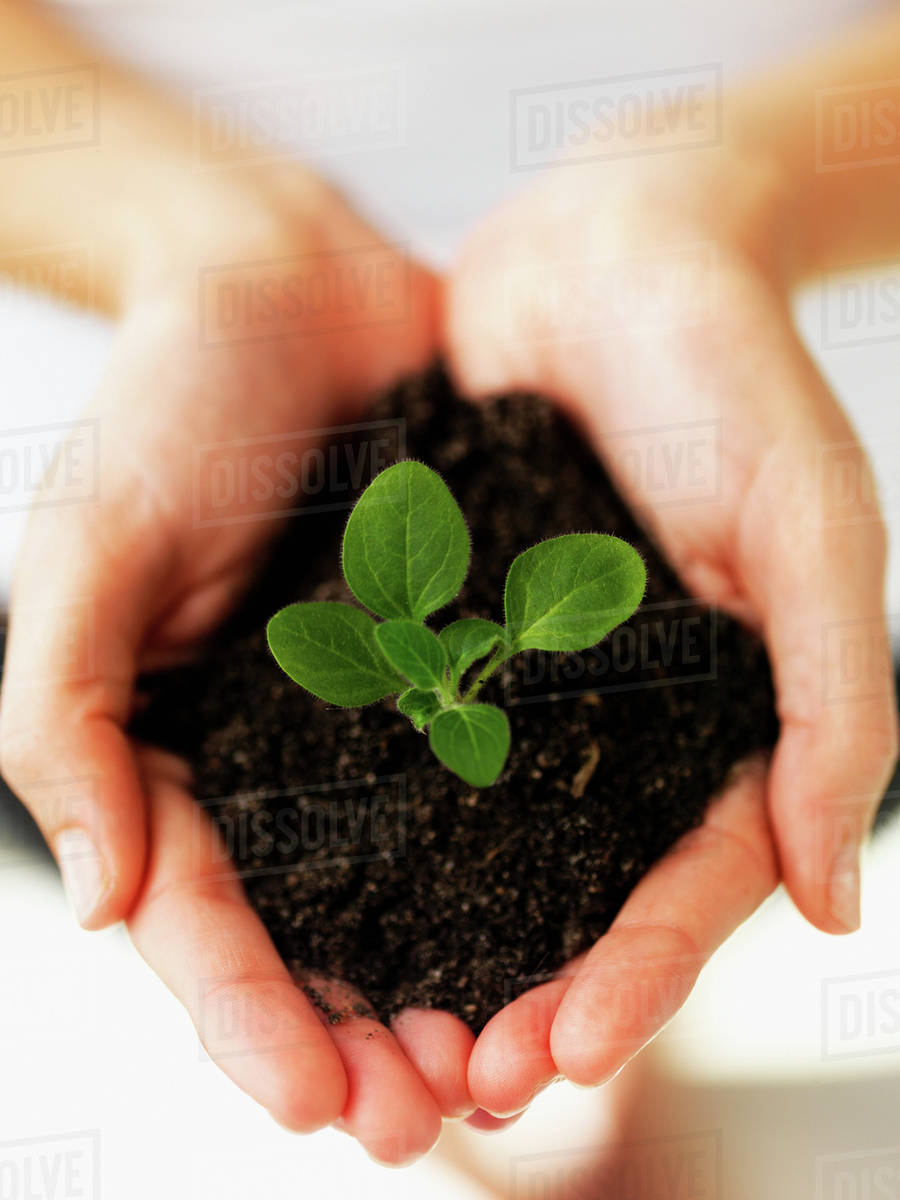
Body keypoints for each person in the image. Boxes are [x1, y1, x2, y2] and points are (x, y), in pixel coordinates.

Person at [0, 0, 896, 1167]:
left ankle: (610, 1060)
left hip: (735, 409)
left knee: (734, 772)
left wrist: (745, 188)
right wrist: (188, 237)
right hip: (131, 402)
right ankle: (531, 1098)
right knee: (131, 757)